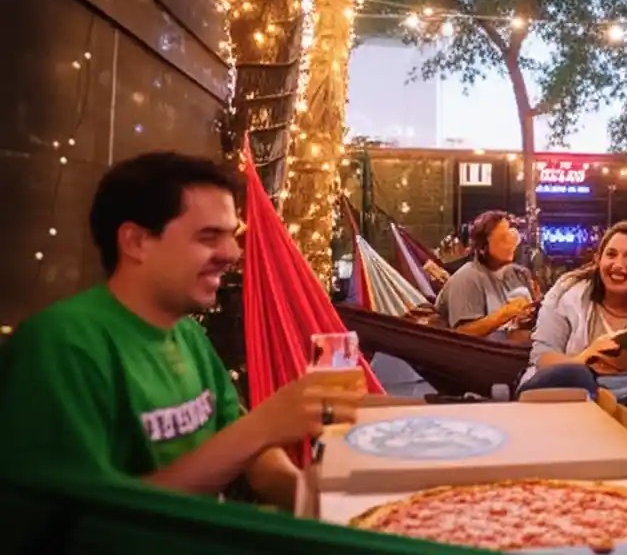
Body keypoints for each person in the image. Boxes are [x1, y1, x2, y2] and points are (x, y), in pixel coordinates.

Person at [0, 153, 360, 508]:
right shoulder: (62, 344)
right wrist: (263, 426)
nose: (232, 253)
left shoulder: (187, 333)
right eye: (209, 237)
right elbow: (94, 516)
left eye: (232, 235)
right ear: (136, 242)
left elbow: (248, 451)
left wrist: (316, 502)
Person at [517, 221, 627, 404]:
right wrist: (585, 357)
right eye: (611, 254)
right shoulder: (567, 292)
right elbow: (542, 359)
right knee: (579, 375)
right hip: (558, 393)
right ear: (599, 259)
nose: (618, 264)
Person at [435, 211, 536, 338]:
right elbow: (463, 333)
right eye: (503, 239)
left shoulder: (519, 274)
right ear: (483, 247)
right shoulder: (467, 278)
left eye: (511, 236)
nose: (510, 243)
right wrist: (506, 313)